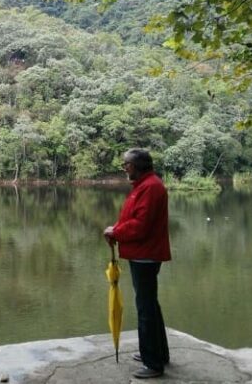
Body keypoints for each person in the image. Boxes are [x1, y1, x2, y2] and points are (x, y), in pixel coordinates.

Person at [103, 148, 171, 379]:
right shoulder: (144, 186)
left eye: (127, 164)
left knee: (145, 308)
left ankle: (153, 363)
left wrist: (117, 232)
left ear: (138, 165)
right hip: (142, 253)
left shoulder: (151, 187)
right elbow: (132, 218)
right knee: (150, 304)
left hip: (146, 255)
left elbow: (141, 225)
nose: (124, 168)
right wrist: (116, 229)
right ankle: (158, 354)